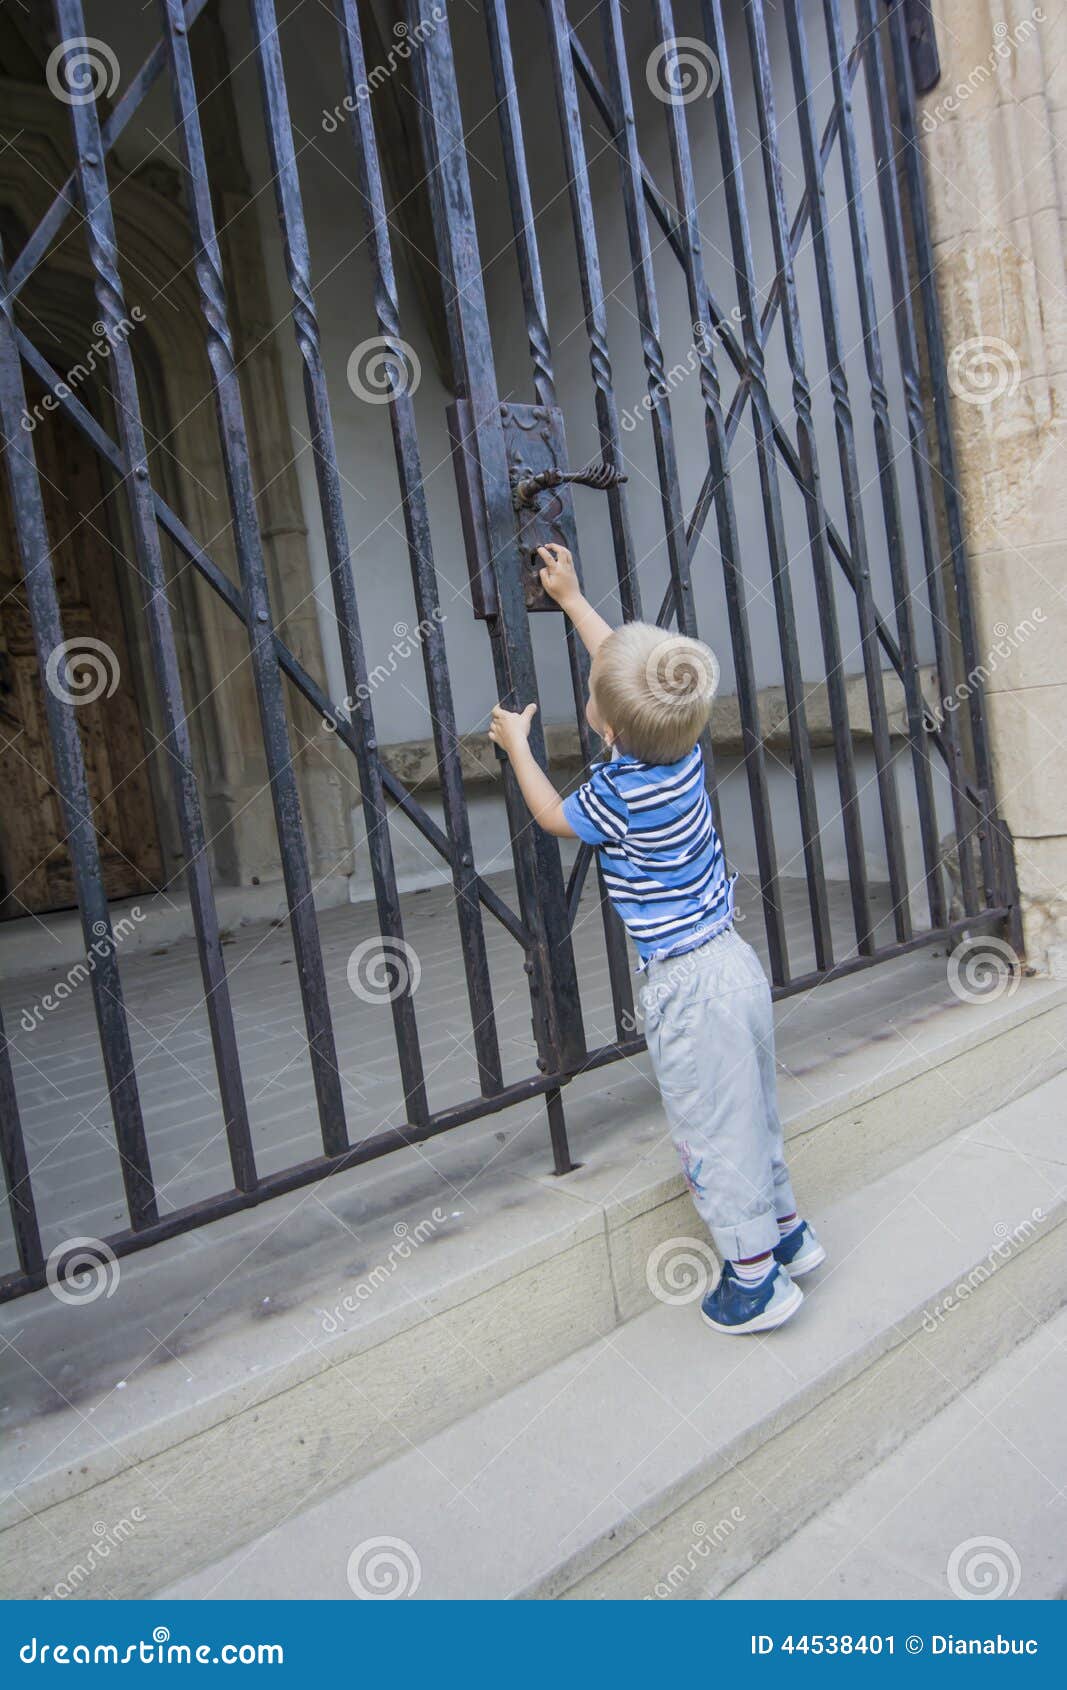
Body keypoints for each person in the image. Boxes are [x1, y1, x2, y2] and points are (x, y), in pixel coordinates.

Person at [488, 544, 824, 1334]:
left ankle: (754, 1283)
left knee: (713, 1127)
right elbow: (631, 673)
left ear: (603, 724)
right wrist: (572, 598)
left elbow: (549, 818)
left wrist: (517, 749)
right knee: (752, 1110)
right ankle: (788, 1236)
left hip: (686, 989)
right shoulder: (682, 755)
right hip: (733, 967)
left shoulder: (615, 793)